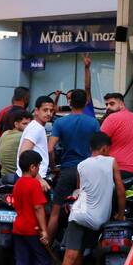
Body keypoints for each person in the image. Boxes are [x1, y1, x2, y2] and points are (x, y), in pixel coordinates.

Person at [55, 132, 125, 265]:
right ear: (105, 148)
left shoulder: (81, 165)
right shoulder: (111, 162)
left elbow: (79, 191)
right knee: (86, 255)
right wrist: (120, 214)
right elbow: (120, 189)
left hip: (79, 215)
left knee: (71, 256)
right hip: (100, 218)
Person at [46, 87, 100, 238]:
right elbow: (100, 149)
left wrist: (53, 167)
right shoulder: (93, 123)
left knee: (55, 211)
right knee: (89, 208)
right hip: (87, 171)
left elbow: (50, 149)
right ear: (86, 102)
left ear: (69, 102)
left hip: (67, 170)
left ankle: (47, 247)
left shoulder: (61, 123)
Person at [10, 150, 53, 265]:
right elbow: (38, 208)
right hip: (32, 227)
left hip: (19, 226)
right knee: (42, 259)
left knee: (22, 261)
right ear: (32, 167)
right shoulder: (34, 184)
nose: (39, 170)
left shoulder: (18, 183)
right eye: (38, 166)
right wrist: (44, 230)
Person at [100, 92, 133, 174]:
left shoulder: (112, 118)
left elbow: (98, 144)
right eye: (106, 104)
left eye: (112, 104)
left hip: (119, 168)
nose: (108, 107)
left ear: (121, 104)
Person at [17, 95, 56, 175]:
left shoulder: (36, 126)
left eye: (51, 110)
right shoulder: (36, 128)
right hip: (33, 177)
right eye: (45, 110)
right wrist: (38, 177)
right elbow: (23, 153)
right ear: (36, 111)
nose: (49, 113)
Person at [0, 86, 31, 151]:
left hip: (2, 149)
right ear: (25, 99)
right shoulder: (27, 115)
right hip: (18, 150)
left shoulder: (5, 112)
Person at [0, 108, 31, 178]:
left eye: (30, 124)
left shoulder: (5, 133)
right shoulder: (23, 136)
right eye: (25, 124)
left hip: (4, 175)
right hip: (18, 176)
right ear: (16, 124)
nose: (28, 127)